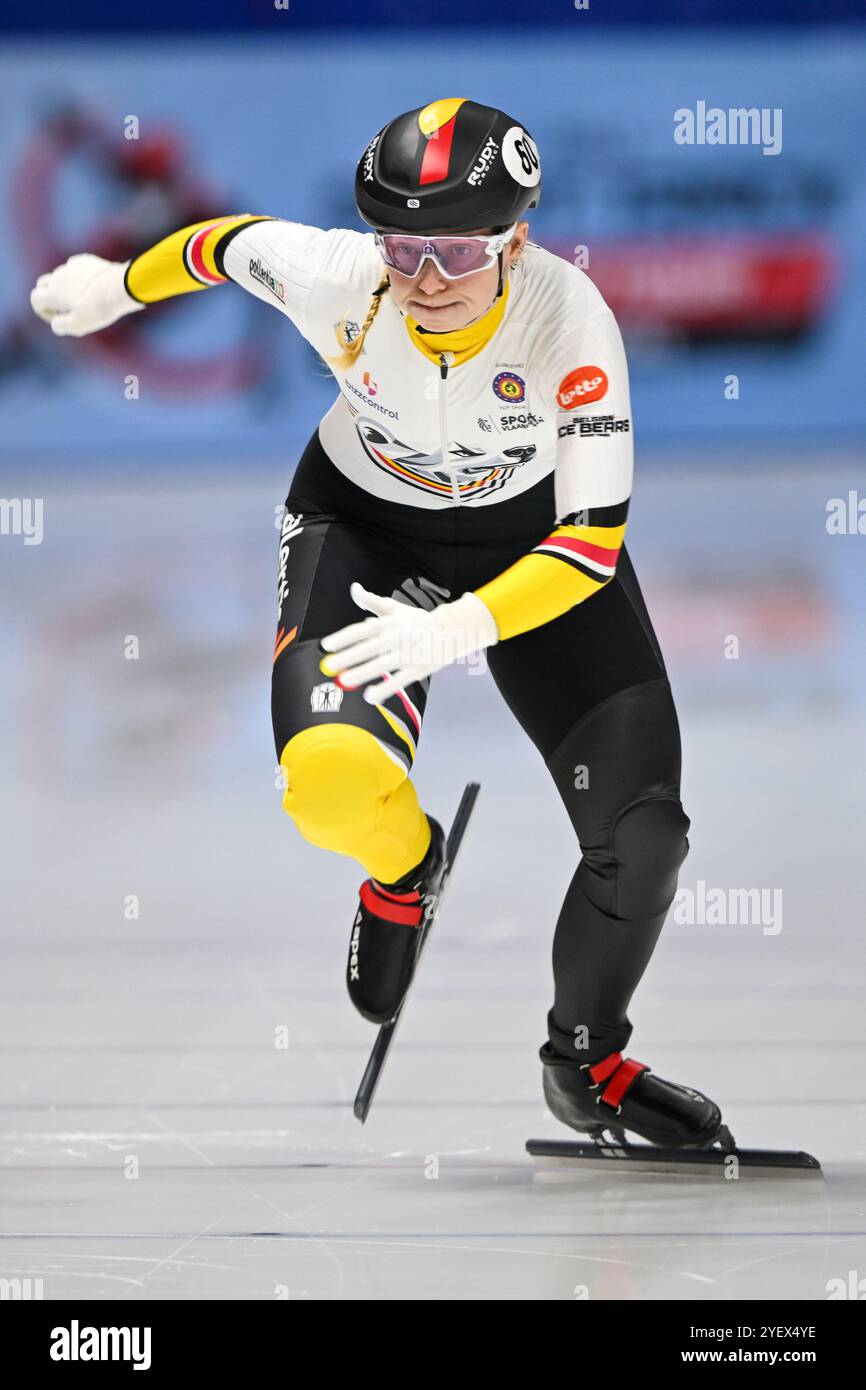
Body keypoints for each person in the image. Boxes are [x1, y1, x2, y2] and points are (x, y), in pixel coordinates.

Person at [30, 98, 729, 1149]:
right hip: (364, 529)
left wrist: (455, 632)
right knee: (323, 784)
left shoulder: (567, 319)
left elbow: (587, 543)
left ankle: (588, 1061)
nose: (427, 280)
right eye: (404, 249)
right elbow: (226, 245)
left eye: (456, 252)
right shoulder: (338, 278)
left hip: (531, 549)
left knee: (644, 835)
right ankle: (404, 866)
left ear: (514, 241)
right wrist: (115, 285)